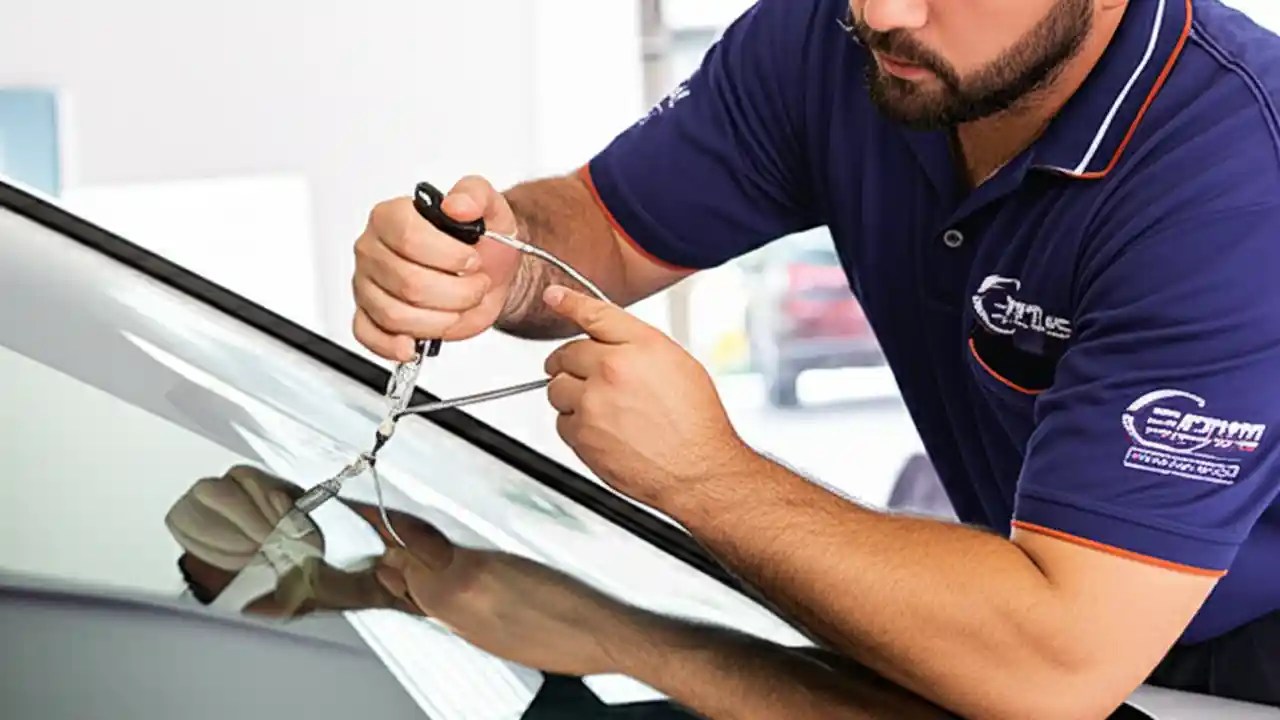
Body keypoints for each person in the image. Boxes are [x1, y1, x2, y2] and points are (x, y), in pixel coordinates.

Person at [350, 0, 1280, 715]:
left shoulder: (1235, 186)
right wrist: (500, 262)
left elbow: (1058, 660)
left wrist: (702, 478)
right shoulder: (832, 39)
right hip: (1022, 627)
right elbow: (605, 226)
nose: (882, 16)